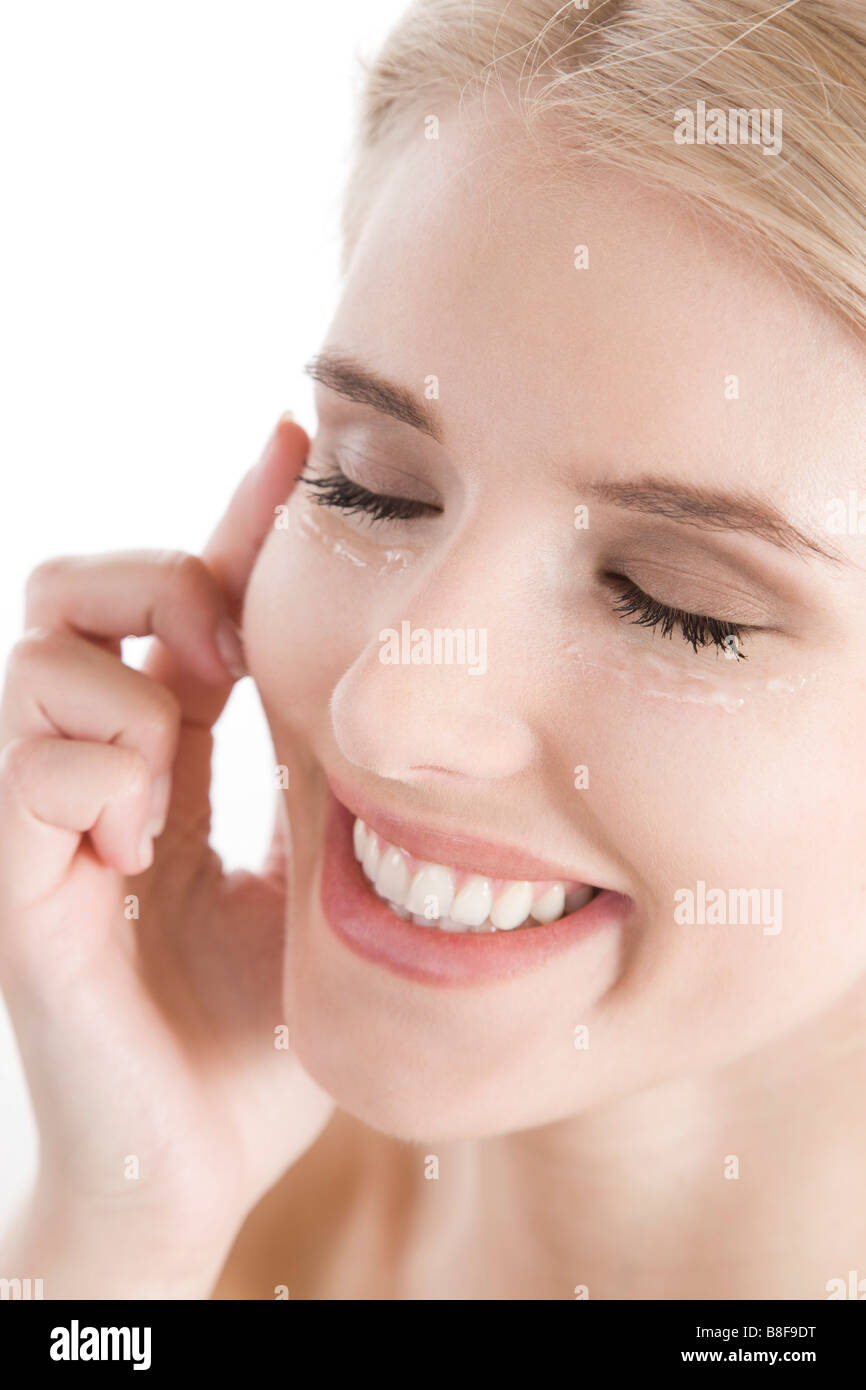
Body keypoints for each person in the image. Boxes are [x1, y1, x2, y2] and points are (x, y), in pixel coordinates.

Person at [3, 0, 866, 1300]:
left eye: (670, 600)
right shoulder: (188, 1209)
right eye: (371, 487)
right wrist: (116, 1242)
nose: (386, 705)